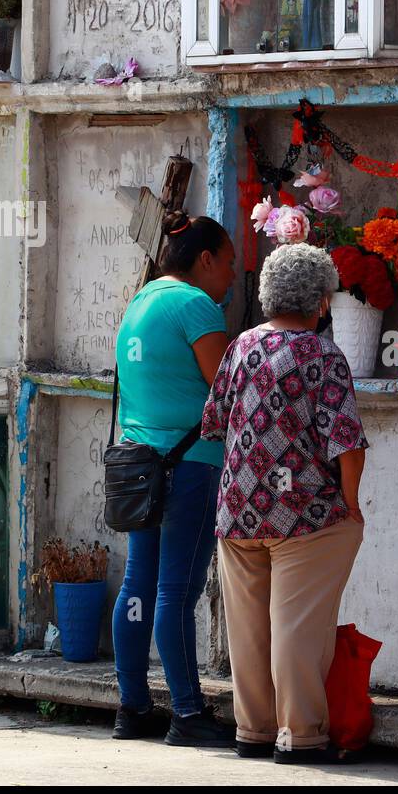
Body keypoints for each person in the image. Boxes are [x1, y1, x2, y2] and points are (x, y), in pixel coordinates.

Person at [201, 242, 368, 764]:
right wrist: (351, 505)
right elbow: (348, 444)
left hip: (238, 512)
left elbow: (214, 424)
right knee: (297, 625)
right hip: (304, 514)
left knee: (249, 629)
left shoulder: (241, 347)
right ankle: (300, 736)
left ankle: (252, 730)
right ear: (320, 301)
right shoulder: (323, 355)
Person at [110, 211, 236, 746]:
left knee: (139, 585)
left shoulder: (139, 301)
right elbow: (226, 388)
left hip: (139, 466)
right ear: (204, 260)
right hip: (187, 465)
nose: (232, 277)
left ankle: (132, 707)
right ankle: (187, 713)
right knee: (176, 592)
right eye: (229, 265)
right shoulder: (194, 305)